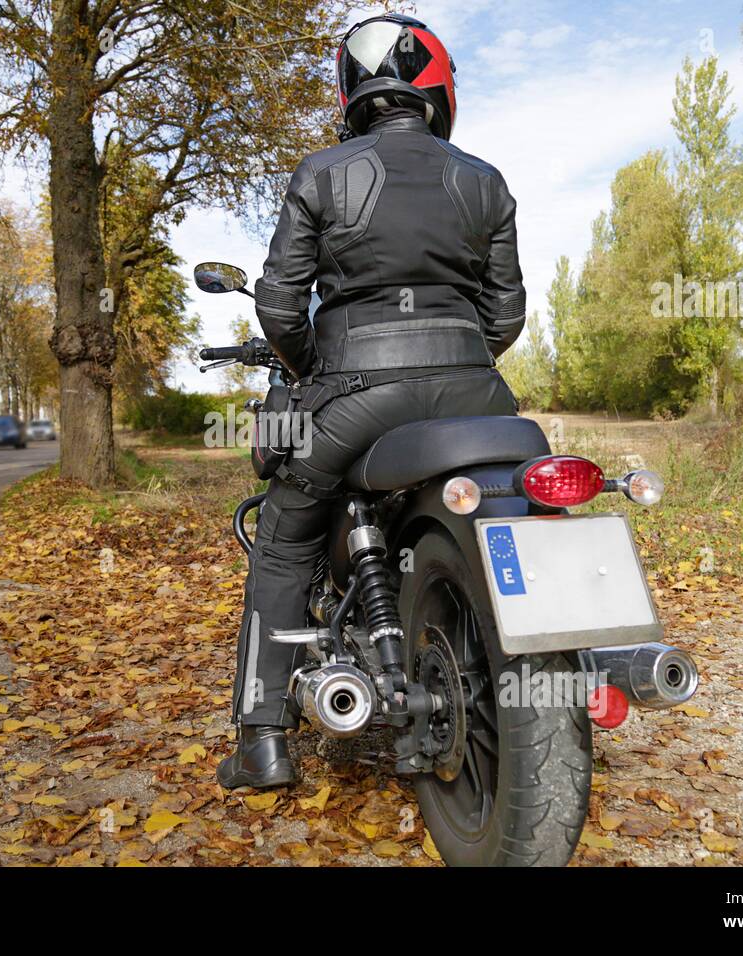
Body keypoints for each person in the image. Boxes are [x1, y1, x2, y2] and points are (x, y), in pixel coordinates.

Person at [218, 13, 527, 789]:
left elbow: (280, 307)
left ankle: (262, 743)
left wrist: (318, 367)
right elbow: (505, 314)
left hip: (355, 392)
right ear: (436, 88)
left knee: (286, 532)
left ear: (355, 91)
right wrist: (458, 360)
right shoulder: (485, 181)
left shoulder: (321, 173)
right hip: (480, 394)